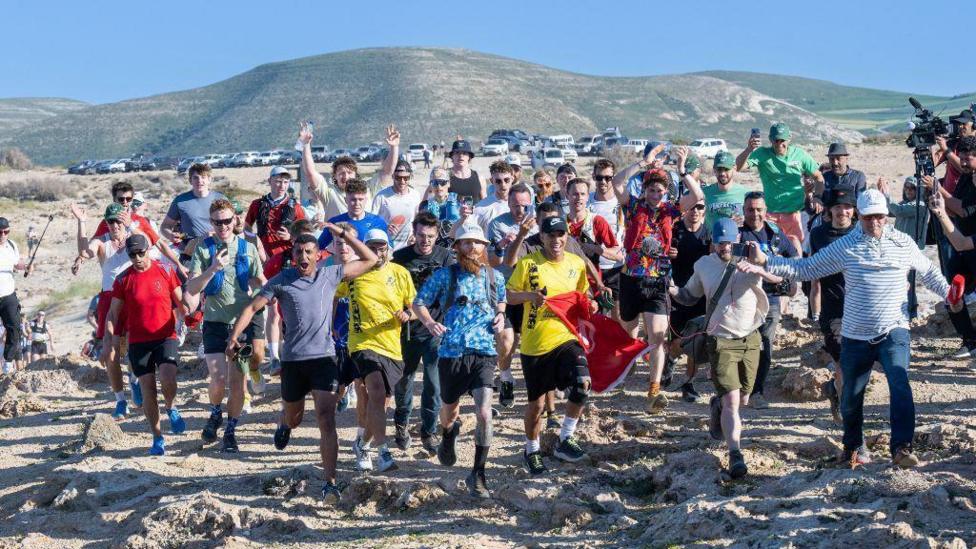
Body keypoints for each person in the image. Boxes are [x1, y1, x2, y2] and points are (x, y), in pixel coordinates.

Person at [749, 188, 950, 468]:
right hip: (855, 334)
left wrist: (950, 294)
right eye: (868, 218)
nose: (874, 223)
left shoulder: (903, 243)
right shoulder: (846, 246)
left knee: (900, 384)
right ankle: (855, 448)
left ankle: (902, 448)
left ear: (886, 216)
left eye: (879, 217)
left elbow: (930, 272)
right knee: (851, 397)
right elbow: (806, 269)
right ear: (860, 216)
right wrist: (766, 261)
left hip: (894, 329)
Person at [228, 229, 378, 502]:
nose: (304, 256)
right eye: (298, 252)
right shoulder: (282, 281)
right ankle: (284, 422)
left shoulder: (330, 275)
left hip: (324, 358)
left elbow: (370, 260)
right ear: (293, 255)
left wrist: (343, 233)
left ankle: (330, 483)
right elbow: (252, 308)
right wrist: (234, 336)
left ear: (319, 255)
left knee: (326, 418)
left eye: (309, 251)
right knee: (295, 418)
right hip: (294, 361)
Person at [670, 218, 772, 479]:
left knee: (745, 398)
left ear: (737, 240)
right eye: (720, 242)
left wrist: (761, 265)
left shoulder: (754, 258)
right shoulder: (703, 265)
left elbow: (785, 282)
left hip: (750, 337)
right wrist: (669, 288)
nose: (725, 247)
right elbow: (688, 295)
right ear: (712, 242)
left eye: (729, 242)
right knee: (733, 402)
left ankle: (717, 405)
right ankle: (735, 453)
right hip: (720, 339)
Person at [413, 223, 506, 498]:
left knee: (484, 413)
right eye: (466, 243)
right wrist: (429, 323)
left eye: (477, 243)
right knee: (449, 410)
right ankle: (448, 433)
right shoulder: (445, 276)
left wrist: (501, 315)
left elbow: (501, 301)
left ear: (484, 247)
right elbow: (418, 302)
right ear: (457, 247)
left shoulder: (494, 277)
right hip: (451, 352)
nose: (472, 248)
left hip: (484, 352)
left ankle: (478, 473)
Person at [612, 143, 703, 414]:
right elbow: (618, 182)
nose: (655, 194)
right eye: (651, 189)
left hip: (658, 280)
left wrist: (682, 170)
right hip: (630, 278)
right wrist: (644, 163)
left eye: (660, 190)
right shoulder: (632, 207)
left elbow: (697, 194)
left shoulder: (671, 211)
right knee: (629, 330)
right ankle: (626, 369)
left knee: (658, 338)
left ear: (666, 192)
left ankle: (654, 391)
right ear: (645, 189)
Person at [507, 216, 592, 474]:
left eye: (560, 234)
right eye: (550, 235)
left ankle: (565, 438)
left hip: (566, 338)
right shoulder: (528, 263)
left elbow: (582, 296)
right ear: (541, 237)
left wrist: (591, 304)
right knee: (538, 405)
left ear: (567, 237)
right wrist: (530, 296)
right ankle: (531, 449)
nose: (556, 240)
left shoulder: (576, 264)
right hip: (535, 344)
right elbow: (509, 296)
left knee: (583, 383)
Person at [184, 199, 265, 453]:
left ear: (235, 221)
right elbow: (193, 288)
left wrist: (260, 288)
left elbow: (262, 280)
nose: (223, 226)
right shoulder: (203, 249)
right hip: (214, 322)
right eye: (217, 222)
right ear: (212, 222)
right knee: (218, 378)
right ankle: (216, 411)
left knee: (238, 379)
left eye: (227, 221)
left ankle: (231, 429)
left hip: (240, 324)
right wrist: (212, 269)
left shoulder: (247, 248)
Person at [337, 228, 416, 472]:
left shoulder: (400, 273)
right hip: (362, 343)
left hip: (391, 345)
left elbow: (413, 307)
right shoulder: (354, 273)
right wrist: (327, 325)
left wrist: (407, 314)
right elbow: (328, 293)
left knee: (380, 403)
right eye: (372, 247)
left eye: (381, 247)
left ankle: (362, 443)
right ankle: (383, 453)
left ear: (388, 249)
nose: (377, 251)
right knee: (375, 391)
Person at [72, 204, 156, 418]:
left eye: (119, 221)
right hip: (110, 298)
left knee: (134, 348)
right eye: (111, 221)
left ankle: (135, 380)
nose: (115, 225)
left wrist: (132, 226)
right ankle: (120, 400)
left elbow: (150, 244)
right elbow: (86, 251)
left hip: (134, 296)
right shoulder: (102, 241)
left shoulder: (133, 238)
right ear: (106, 223)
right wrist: (81, 222)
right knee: (110, 352)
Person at [105, 234, 186, 456]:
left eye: (141, 253)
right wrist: (112, 338)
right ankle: (158, 437)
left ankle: (171, 407)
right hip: (139, 341)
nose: (138, 258)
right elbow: (113, 313)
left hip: (165, 335)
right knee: (147, 390)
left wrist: (187, 316)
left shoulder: (166, 270)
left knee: (169, 378)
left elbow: (181, 300)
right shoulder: (123, 280)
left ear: (148, 250)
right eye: (133, 255)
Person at [392, 213, 453, 453]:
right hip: (405, 331)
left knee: (433, 384)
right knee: (404, 381)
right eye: (420, 235)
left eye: (430, 236)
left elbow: (449, 291)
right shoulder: (400, 258)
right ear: (413, 234)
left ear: (437, 236)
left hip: (434, 330)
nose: (425, 241)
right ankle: (401, 424)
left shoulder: (445, 257)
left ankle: (429, 431)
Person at [737, 191, 798, 409]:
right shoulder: (737, 234)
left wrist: (788, 285)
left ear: (766, 211)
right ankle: (739, 389)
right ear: (744, 211)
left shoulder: (776, 234)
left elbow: (795, 260)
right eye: (750, 209)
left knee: (764, 345)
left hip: (771, 298)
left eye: (759, 209)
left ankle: (757, 391)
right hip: (743, 298)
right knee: (741, 344)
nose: (755, 214)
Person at [808, 185, 857, 423]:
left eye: (847, 206)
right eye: (838, 207)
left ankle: (834, 390)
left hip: (861, 310)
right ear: (830, 210)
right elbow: (814, 277)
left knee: (856, 365)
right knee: (844, 363)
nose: (843, 212)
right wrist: (814, 313)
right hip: (834, 311)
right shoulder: (818, 235)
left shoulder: (861, 233)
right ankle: (849, 413)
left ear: (854, 210)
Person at [736, 123, 824, 252]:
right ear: (770, 139)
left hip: (795, 212)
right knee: (769, 251)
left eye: (782, 140)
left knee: (796, 251)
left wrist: (817, 198)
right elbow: (738, 167)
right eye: (776, 140)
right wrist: (749, 149)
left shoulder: (799, 154)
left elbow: (819, 177)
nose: (779, 144)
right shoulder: (762, 153)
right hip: (770, 214)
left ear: (789, 139)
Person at [925, 136, 976, 357]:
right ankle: (970, 341)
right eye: (961, 159)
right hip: (962, 244)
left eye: (968, 159)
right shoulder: (966, 178)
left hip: (968, 244)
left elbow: (963, 210)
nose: (963, 163)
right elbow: (957, 209)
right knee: (953, 294)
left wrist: (939, 191)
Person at [486, 184, 537, 407]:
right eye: (515, 206)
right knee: (507, 341)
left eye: (524, 206)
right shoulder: (498, 224)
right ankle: (505, 377)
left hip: (532, 290)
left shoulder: (539, 225)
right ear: (508, 204)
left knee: (527, 339)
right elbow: (497, 262)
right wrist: (502, 244)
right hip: (505, 290)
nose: (520, 211)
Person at [299, 122, 395, 221]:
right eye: (341, 173)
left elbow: (387, 172)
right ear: (335, 176)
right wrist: (306, 145)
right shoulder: (329, 193)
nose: (346, 176)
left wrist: (394, 147)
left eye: (349, 173)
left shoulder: (368, 189)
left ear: (356, 175)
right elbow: (311, 173)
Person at [667, 199, 710, 402]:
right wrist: (667, 254)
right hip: (677, 293)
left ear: (704, 211)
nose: (695, 211)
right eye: (691, 206)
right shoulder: (673, 230)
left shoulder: (709, 234)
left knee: (696, 340)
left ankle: (688, 383)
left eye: (699, 207)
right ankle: (670, 358)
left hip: (701, 295)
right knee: (677, 342)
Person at [565, 178, 621, 287]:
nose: (579, 198)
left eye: (582, 194)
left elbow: (618, 255)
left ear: (587, 197)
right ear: (567, 195)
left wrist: (593, 248)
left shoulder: (596, 221)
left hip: (591, 284)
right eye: (575, 194)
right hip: (566, 282)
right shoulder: (560, 223)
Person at [588, 158, 625, 322]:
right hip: (592, 267)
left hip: (617, 266)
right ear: (593, 177)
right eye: (599, 177)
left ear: (613, 178)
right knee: (594, 316)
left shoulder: (621, 202)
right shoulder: (586, 200)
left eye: (608, 178)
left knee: (618, 316)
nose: (603, 181)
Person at [244, 166, 307, 262]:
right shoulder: (256, 204)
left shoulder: (295, 207)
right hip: (262, 258)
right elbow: (247, 227)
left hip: (286, 257)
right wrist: (253, 242)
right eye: (278, 181)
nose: (282, 186)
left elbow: (305, 234)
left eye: (286, 182)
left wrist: (290, 237)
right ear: (269, 181)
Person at [161, 163, 227, 250]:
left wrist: (215, 233)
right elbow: (165, 226)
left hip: (216, 248)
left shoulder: (220, 198)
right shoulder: (180, 201)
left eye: (203, 177)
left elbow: (231, 224)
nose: (199, 181)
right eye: (195, 177)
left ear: (209, 180)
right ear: (190, 180)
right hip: (189, 251)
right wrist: (170, 235)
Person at [318, 179, 388, 250]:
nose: (357, 204)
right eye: (353, 200)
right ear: (346, 200)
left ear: (366, 200)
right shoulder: (334, 223)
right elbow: (318, 248)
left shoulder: (378, 222)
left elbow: (388, 249)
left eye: (360, 199)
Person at [372, 158, 423, 251]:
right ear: (393, 176)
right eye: (398, 177)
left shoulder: (415, 195)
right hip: (386, 248)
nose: (402, 181)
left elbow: (418, 219)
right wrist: (385, 226)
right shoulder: (381, 196)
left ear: (410, 177)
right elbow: (371, 221)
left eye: (406, 178)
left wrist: (415, 235)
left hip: (408, 247)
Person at [696, 150, 747, 230]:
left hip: (735, 240)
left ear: (734, 168)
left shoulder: (745, 194)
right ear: (714, 170)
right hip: (711, 241)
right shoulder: (704, 192)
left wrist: (744, 220)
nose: (722, 173)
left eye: (726, 169)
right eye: (719, 169)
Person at [419, 168, 462, 248]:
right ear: (430, 185)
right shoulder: (424, 206)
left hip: (456, 250)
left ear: (448, 183)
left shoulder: (459, 202)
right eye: (435, 183)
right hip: (433, 251)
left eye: (442, 182)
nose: (439, 186)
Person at [473, 161, 515, 232]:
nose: (503, 184)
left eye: (506, 180)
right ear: (492, 181)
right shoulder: (480, 208)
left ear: (512, 179)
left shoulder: (521, 204)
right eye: (498, 181)